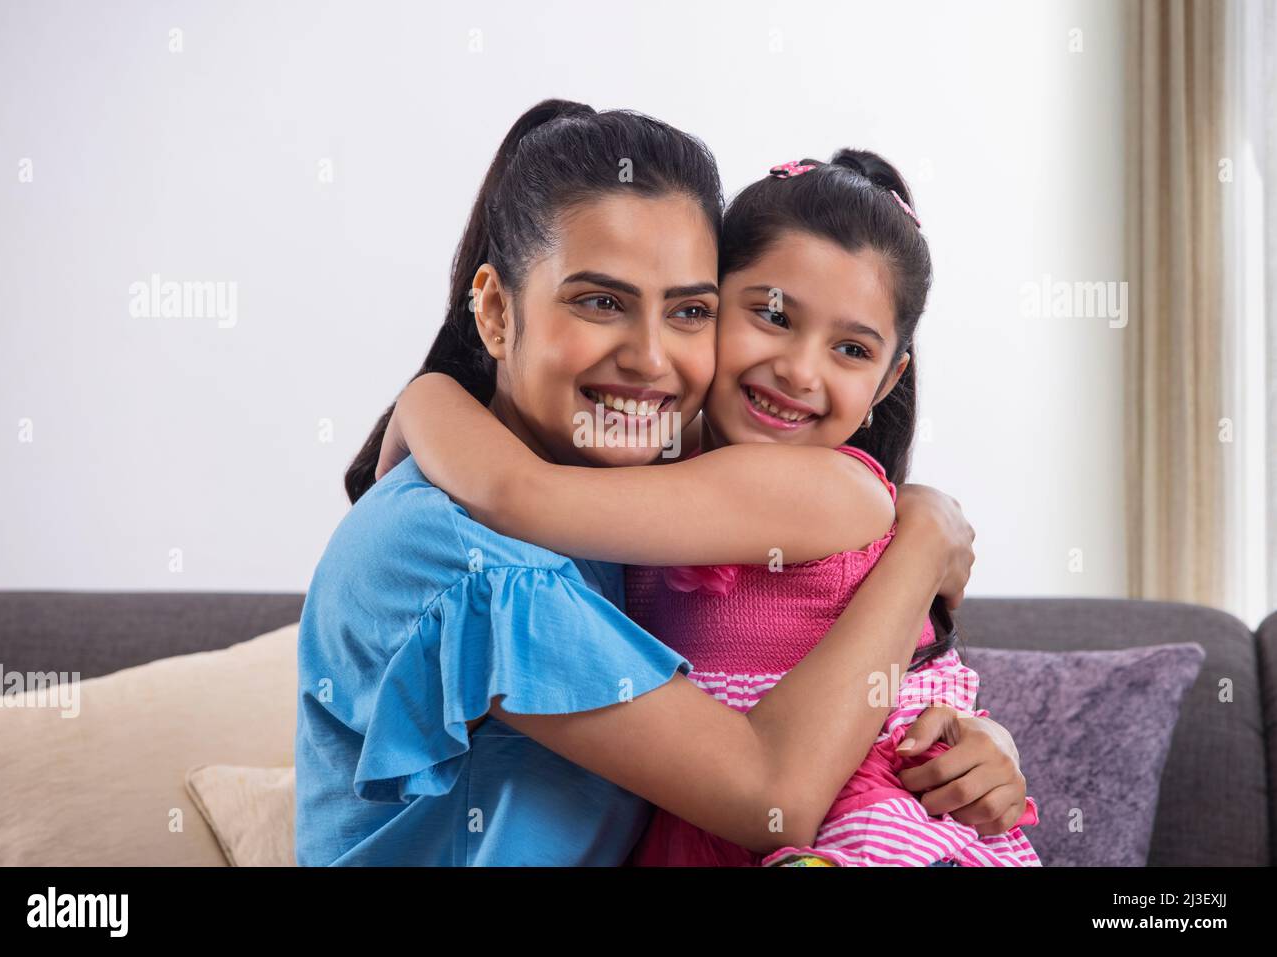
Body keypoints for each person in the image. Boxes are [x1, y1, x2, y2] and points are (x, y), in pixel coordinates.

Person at [294, 99, 1019, 866]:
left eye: (688, 311)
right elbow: (772, 794)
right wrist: (924, 539)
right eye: (601, 301)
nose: (649, 358)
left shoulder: (616, 519)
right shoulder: (469, 557)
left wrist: (969, 734)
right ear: (498, 312)